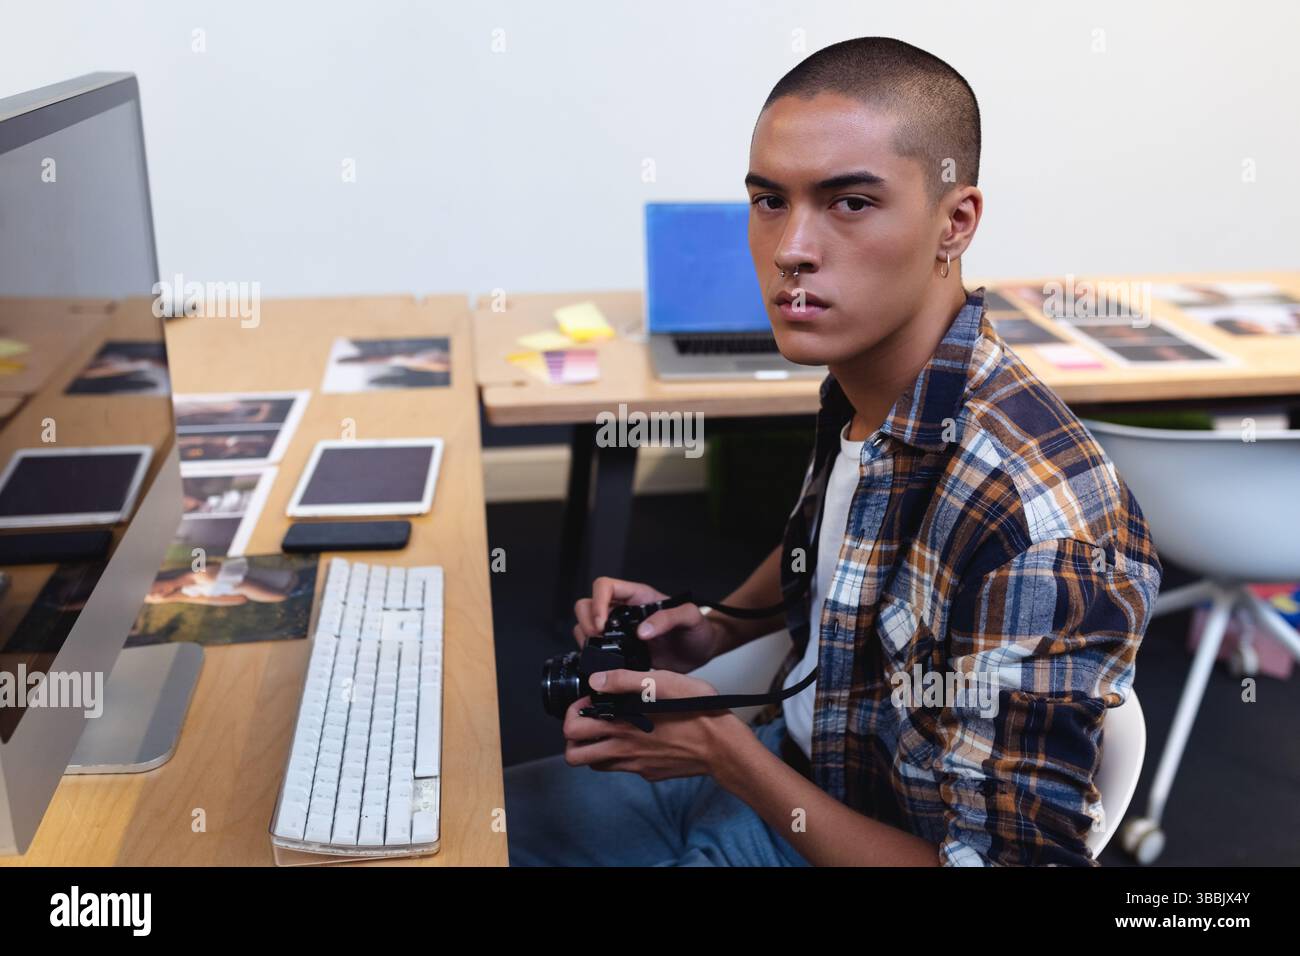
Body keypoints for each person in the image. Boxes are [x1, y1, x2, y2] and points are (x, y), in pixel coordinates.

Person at [505, 36, 1162, 867]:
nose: (789, 250)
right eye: (769, 200)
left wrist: (726, 756)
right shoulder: (868, 384)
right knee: (450, 826)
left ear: (954, 223)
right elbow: (845, 540)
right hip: (786, 764)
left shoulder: (1040, 525)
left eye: (849, 203)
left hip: (840, 825)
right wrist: (710, 632)